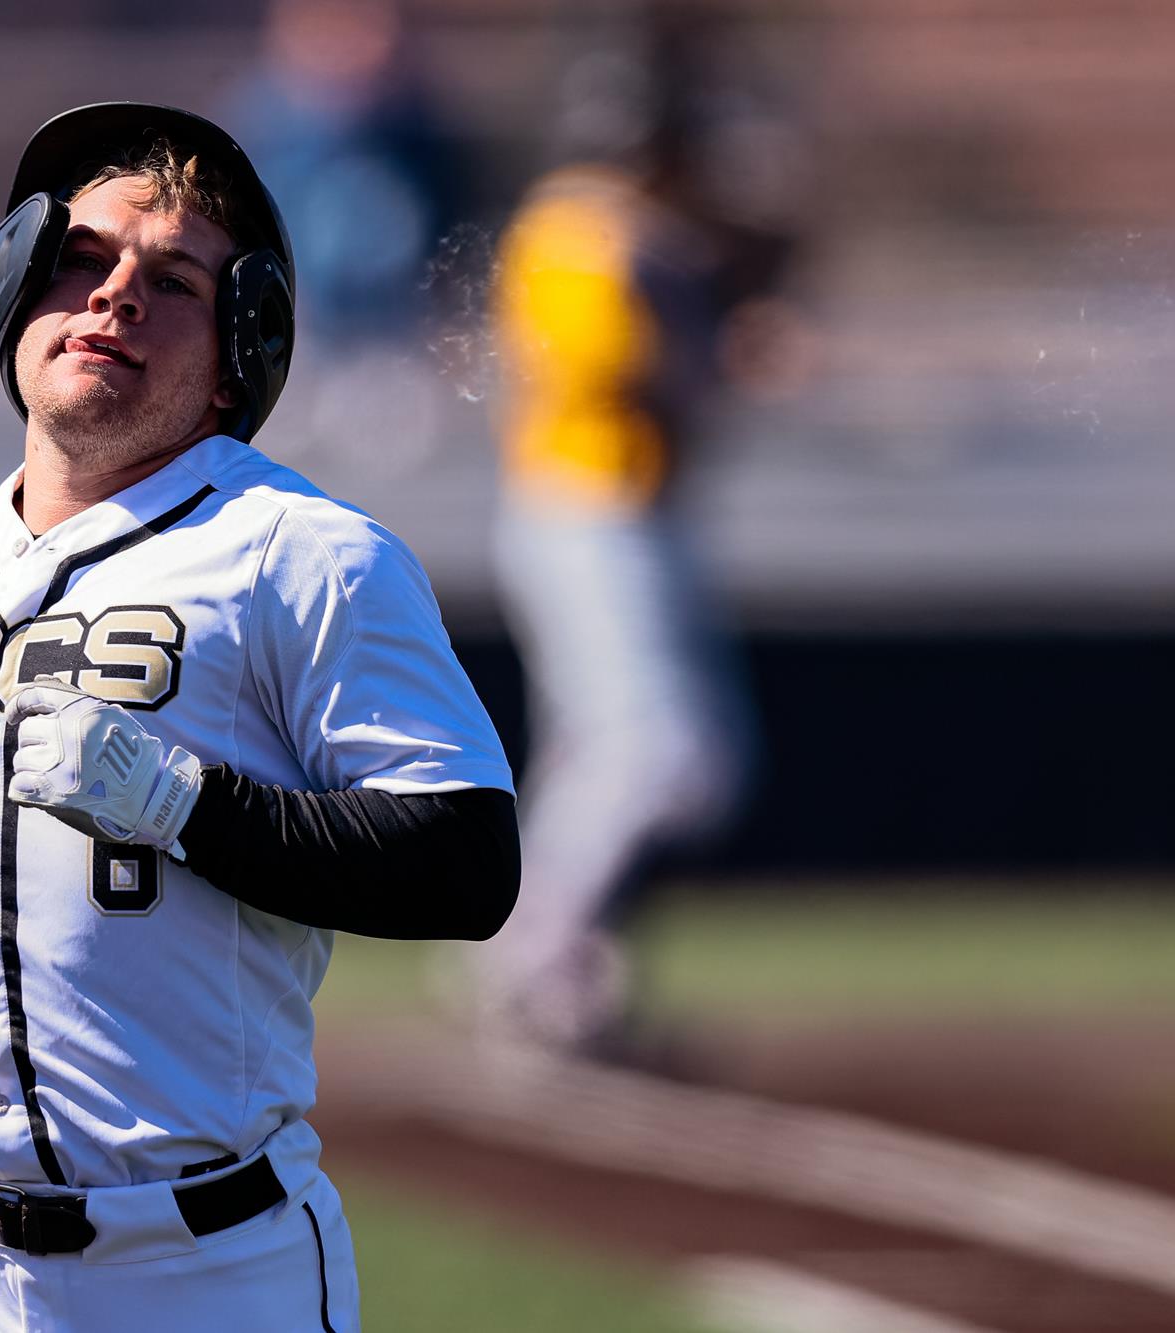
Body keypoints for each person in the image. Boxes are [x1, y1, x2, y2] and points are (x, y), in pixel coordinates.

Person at [0, 103, 519, 1332]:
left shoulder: (303, 552)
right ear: (13, 289)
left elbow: (466, 864)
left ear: (241, 345)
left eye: (169, 280)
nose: (112, 296)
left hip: (200, 1267)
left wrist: (187, 802)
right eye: (81, 258)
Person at [471, 8, 806, 1058]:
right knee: (656, 757)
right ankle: (529, 962)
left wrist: (729, 293)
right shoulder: (580, 228)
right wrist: (728, 320)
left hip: (626, 514)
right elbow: (635, 368)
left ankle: (557, 960)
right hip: (583, 512)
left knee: (645, 759)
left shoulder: (627, 231)